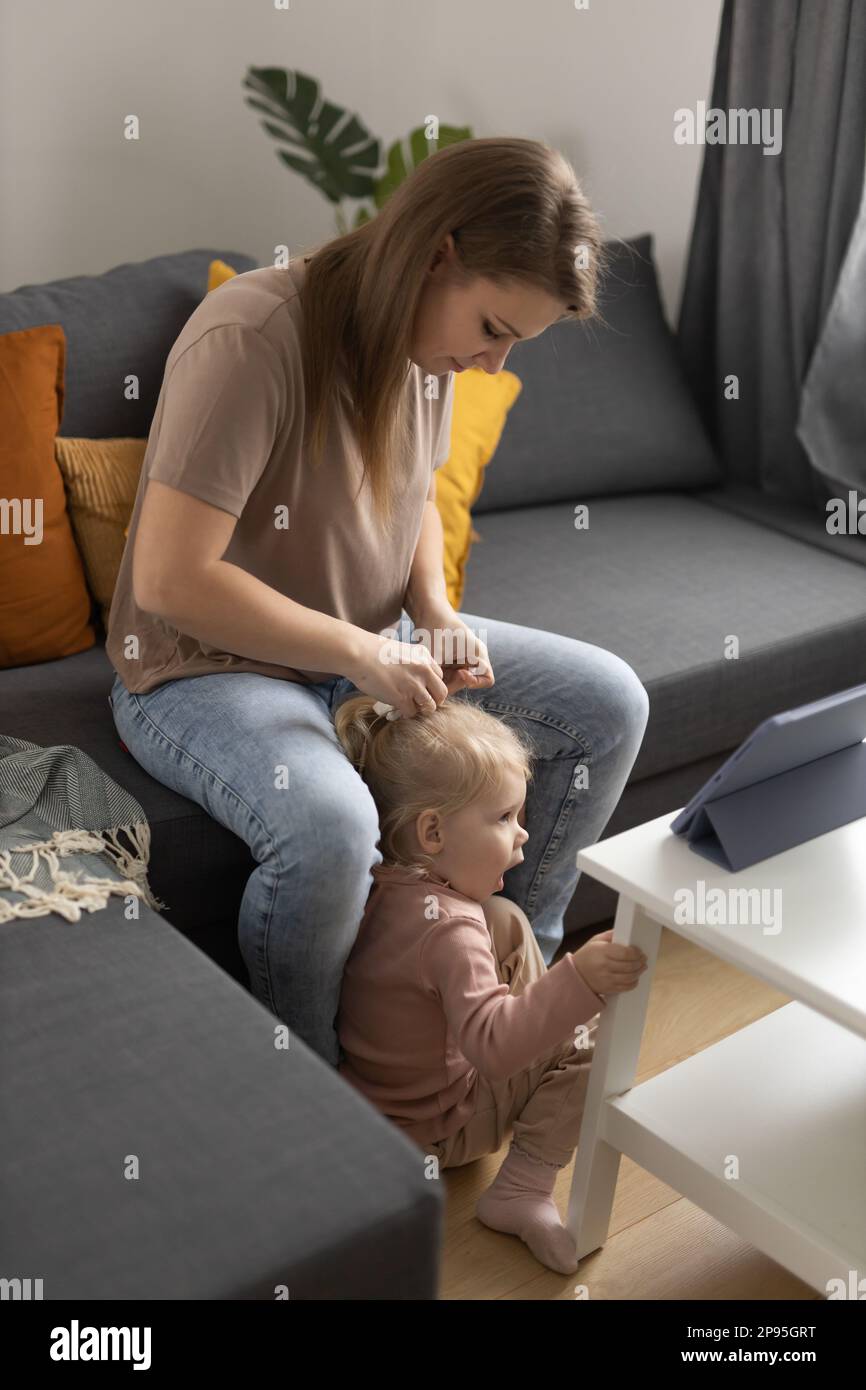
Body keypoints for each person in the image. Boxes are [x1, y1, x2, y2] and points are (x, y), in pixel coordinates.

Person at [107, 134, 650, 1069]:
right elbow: (169, 580)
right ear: (436, 252)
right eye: (493, 329)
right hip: (206, 667)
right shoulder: (254, 334)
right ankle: (322, 1098)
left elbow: (414, 508)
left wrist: (433, 615)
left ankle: (517, 1014)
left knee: (608, 704)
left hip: (373, 641)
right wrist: (361, 654)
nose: (491, 364)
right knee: (331, 828)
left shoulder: (426, 354)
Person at [334, 692, 648, 1273]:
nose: (523, 835)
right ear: (433, 833)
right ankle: (521, 1190)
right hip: (442, 1128)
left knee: (506, 918)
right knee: (597, 1030)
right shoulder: (450, 931)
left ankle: (541, 1025)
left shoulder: (381, 887)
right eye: (504, 818)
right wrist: (579, 978)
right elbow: (492, 1049)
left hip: (378, 1110)